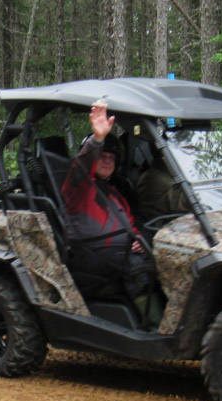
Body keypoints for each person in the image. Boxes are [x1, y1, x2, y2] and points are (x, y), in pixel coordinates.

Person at [60, 99, 163, 325]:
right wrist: (97, 140)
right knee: (139, 269)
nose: (106, 161)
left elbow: (138, 220)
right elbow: (82, 165)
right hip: (93, 259)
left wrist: (141, 238)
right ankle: (156, 327)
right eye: (102, 157)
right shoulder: (78, 187)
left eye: (111, 158)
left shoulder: (119, 189)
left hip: (121, 254)